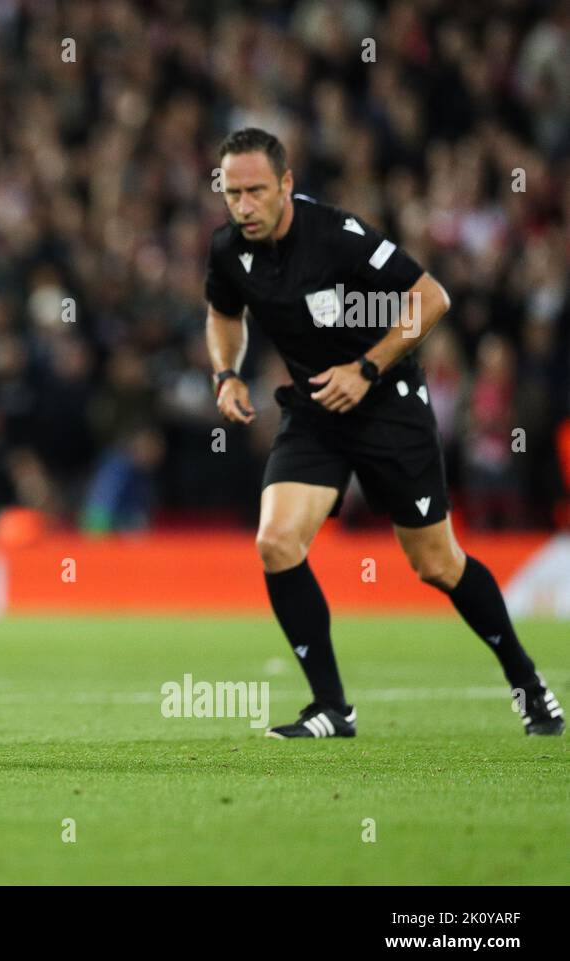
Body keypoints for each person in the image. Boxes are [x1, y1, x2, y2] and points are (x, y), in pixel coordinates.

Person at [204, 128, 563, 738]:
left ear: (286, 184)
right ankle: (331, 709)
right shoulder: (229, 251)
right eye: (232, 193)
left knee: (436, 563)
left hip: (388, 406)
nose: (243, 206)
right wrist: (225, 375)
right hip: (316, 410)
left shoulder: (337, 236)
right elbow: (222, 314)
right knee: (276, 541)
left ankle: (529, 684)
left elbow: (432, 297)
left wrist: (367, 367)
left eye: (256, 191)